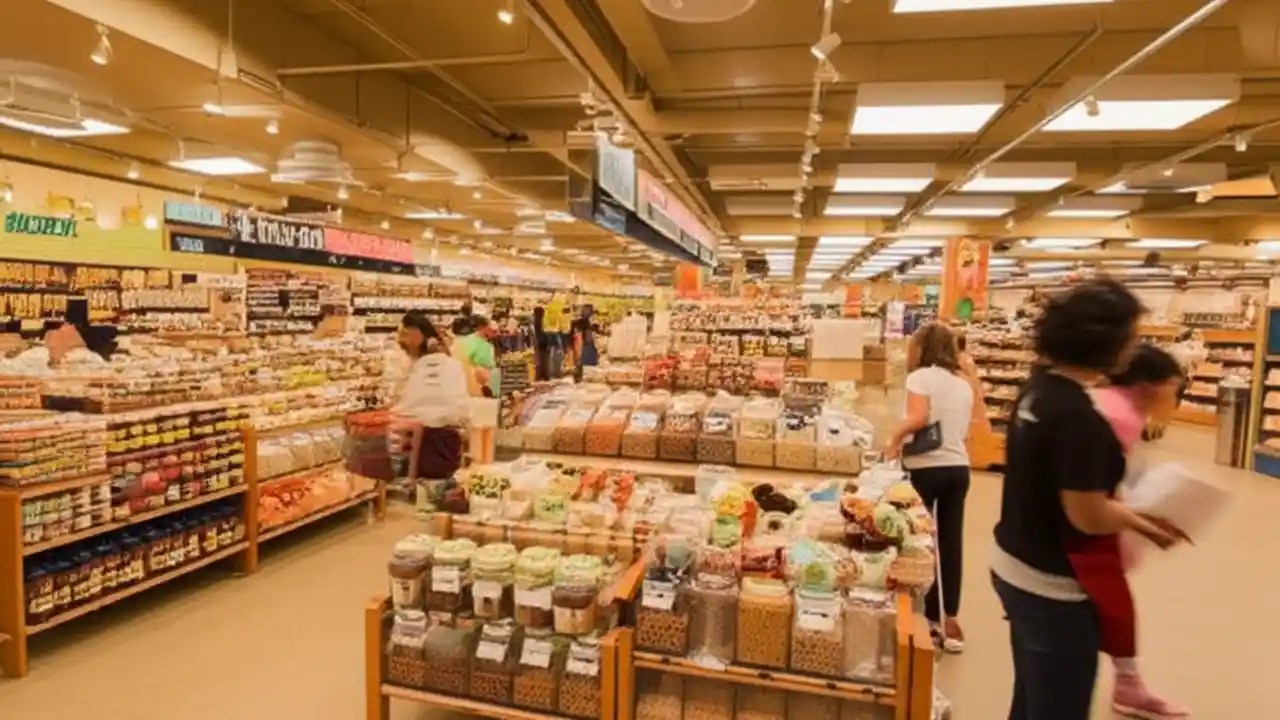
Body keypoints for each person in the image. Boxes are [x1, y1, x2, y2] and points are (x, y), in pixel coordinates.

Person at [991, 280, 1189, 720]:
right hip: (1052, 587)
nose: (1134, 347)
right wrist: (1142, 522)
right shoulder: (1080, 419)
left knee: (1029, 695)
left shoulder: (1038, 388)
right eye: (1132, 335)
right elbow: (1088, 516)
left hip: (1013, 563)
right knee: (1056, 706)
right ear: (1106, 341)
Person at [1087, 344, 1190, 719]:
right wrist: (1144, 521)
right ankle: (1129, 686)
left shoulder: (1101, 400)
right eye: (1172, 386)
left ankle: (1129, 681)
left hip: (1087, 519)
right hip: (1092, 526)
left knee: (1113, 602)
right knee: (1112, 602)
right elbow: (1105, 488)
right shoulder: (1123, 416)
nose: (1176, 396)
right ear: (1150, 385)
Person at [884, 322, 974, 652]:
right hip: (958, 468)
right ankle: (950, 620)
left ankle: (921, 616)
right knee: (951, 543)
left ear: (922, 349)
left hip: (925, 469)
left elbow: (918, 418)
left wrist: (893, 440)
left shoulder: (920, 377)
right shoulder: (962, 383)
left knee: (919, 540)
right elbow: (965, 431)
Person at [390, 311, 470, 480]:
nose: (403, 341)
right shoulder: (451, 364)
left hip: (422, 448)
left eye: (406, 335)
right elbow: (461, 408)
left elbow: (404, 408)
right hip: (447, 448)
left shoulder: (419, 367)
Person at [452, 316, 498, 398]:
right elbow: (485, 375)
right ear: (483, 328)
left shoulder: (458, 342)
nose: (496, 333)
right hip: (474, 392)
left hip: (455, 389)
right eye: (491, 329)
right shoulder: (484, 346)